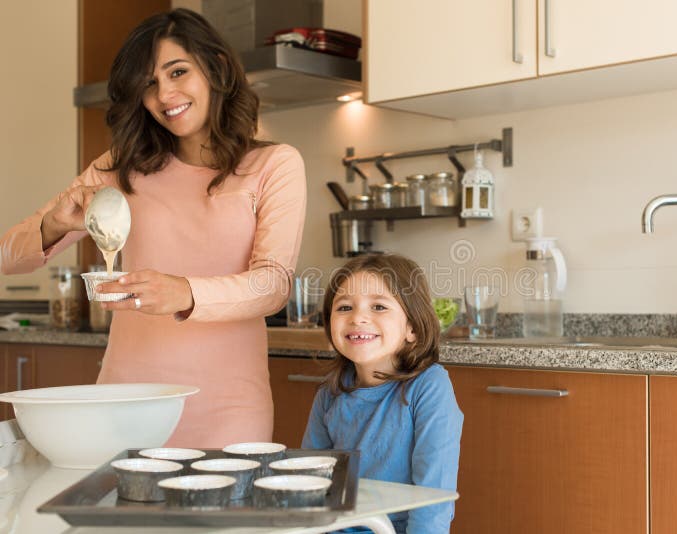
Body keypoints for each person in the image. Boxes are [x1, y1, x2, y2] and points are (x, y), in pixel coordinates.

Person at [0, 9, 306, 447]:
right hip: (125, 401)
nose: (165, 94)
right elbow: (8, 258)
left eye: (177, 72)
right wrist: (53, 224)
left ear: (216, 66)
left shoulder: (273, 165)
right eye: (149, 83)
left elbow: (273, 285)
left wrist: (185, 292)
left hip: (228, 409)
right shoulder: (117, 170)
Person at [302, 254, 463, 533]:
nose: (358, 318)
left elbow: (433, 498)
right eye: (344, 307)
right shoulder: (330, 392)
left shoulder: (429, 386)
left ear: (411, 328)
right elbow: (308, 484)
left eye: (378, 306)